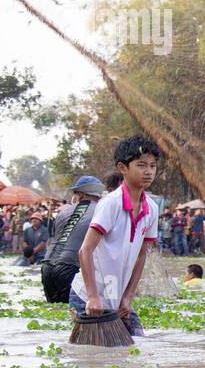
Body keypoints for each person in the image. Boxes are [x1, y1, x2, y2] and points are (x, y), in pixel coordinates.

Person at [71, 136, 163, 336]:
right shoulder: (111, 204)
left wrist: (128, 297)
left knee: (138, 342)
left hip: (117, 295)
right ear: (123, 168)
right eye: (141, 165)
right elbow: (85, 250)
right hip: (88, 294)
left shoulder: (152, 209)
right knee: (95, 356)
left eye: (153, 166)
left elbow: (141, 256)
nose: (148, 172)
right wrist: (93, 297)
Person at [41, 174, 110, 304]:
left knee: (53, 315)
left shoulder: (63, 212)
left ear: (80, 194)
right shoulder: (101, 211)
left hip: (47, 266)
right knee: (73, 315)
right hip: (71, 268)